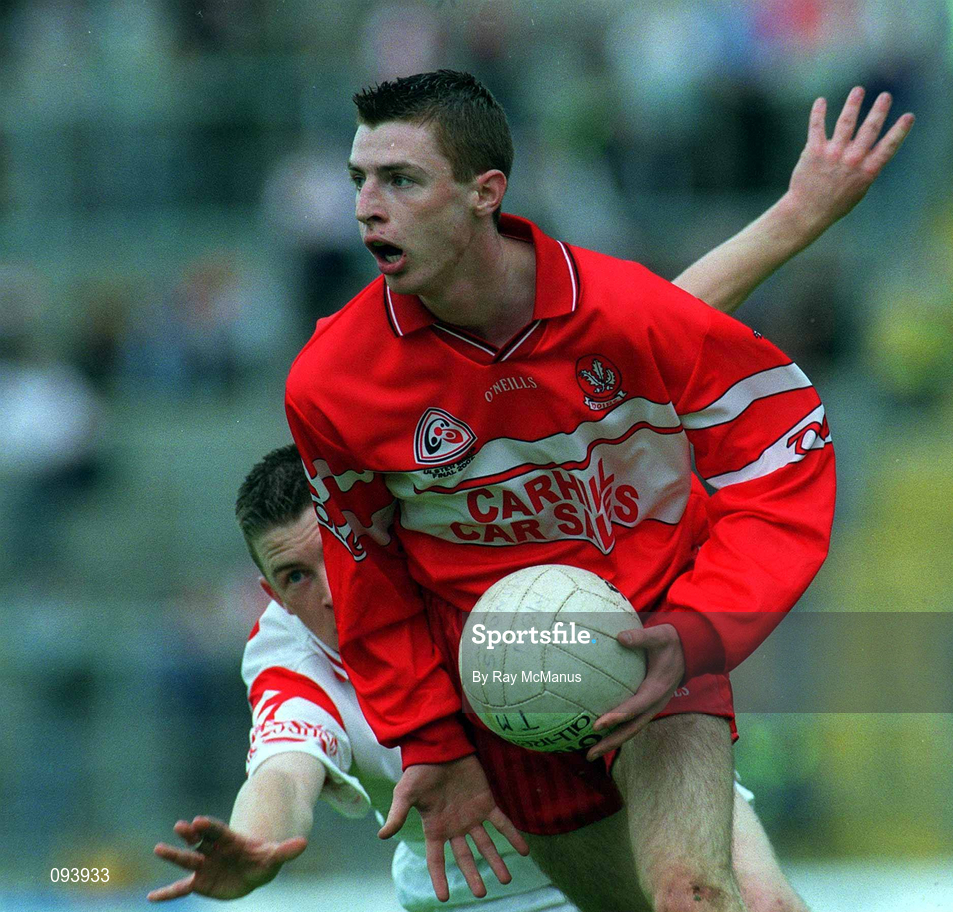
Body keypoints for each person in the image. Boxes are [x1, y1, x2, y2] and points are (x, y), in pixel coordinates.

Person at [150, 82, 912, 911]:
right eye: (357, 181)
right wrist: (435, 749)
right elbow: (303, 723)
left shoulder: (612, 308)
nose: (366, 208)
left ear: (486, 192)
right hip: (492, 756)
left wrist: (700, 626)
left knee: (708, 897)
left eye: (400, 180)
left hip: (651, 653)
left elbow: (755, 428)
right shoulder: (335, 385)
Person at [149, 446, 792, 911]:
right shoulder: (292, 659)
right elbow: (285, 772)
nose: (330, 593)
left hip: (640, 792)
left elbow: (598, 364)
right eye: (295, 577)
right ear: (271, 593)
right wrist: (254, 842)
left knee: (759, 906)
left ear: (370, 529)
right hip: (486, 893)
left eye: (333, 555)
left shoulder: (462, 538)